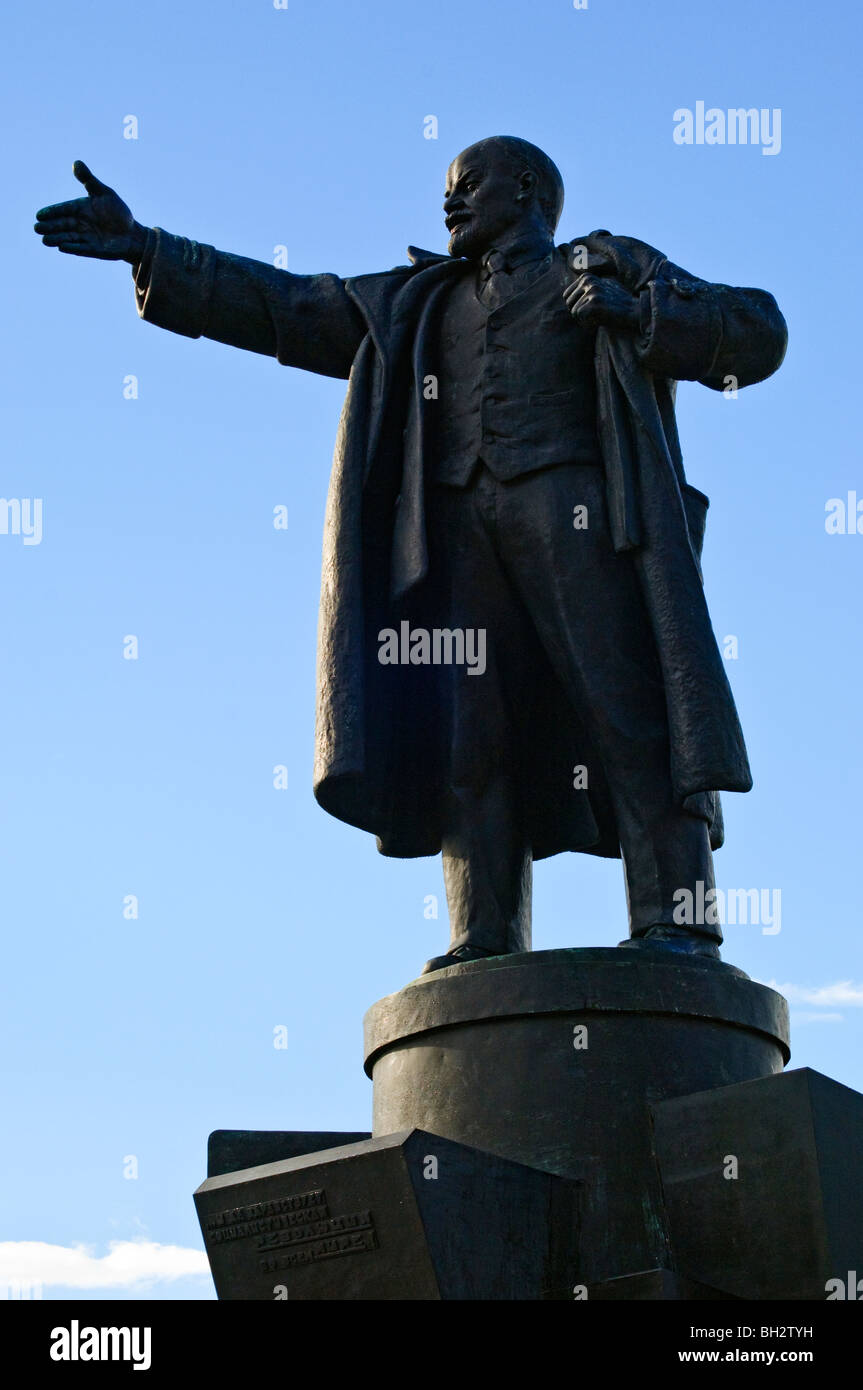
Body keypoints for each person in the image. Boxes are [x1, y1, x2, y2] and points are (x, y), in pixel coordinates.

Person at [35, 137, 787, 973]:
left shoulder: (605, 261)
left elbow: (757, 330)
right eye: (446, 190)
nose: (449, 203)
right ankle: (483, 938)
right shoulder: (421, 301)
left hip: (581, 514)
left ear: (528, 188)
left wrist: (645, 316)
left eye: (468, 185)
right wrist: (149, 247)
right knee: (469, 736)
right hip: (456, 531)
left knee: (630, 710)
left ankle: (675, 925)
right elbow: (289, 304)